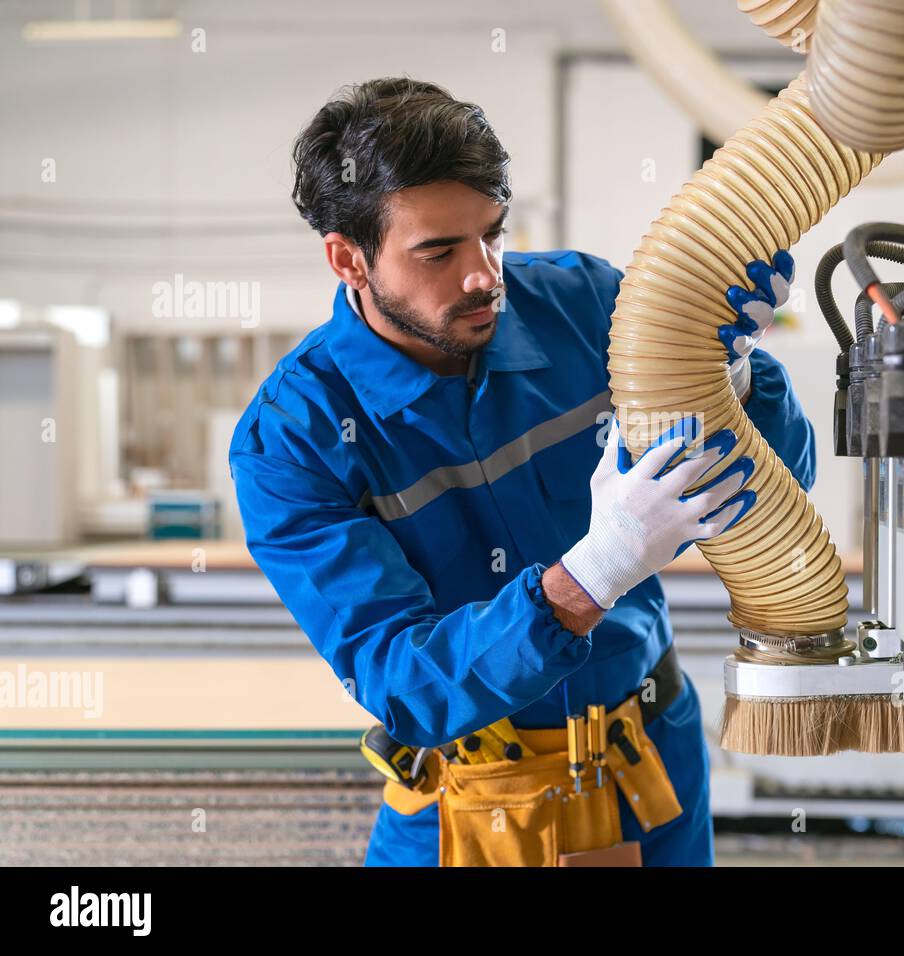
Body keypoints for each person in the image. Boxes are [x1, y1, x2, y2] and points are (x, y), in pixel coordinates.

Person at [229, 77, 816, 866]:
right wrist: (594, 572)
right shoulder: (292, 439)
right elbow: (404, 681)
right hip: (465, 798)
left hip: (651, 765)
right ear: (348, 259)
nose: (483, 276)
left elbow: (783, 483)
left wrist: (729, 378)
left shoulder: (587, 305)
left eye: (493, 235)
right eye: (439, 251)